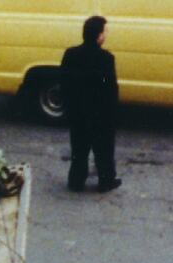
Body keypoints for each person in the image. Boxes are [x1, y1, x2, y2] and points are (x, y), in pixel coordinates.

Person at [61, 17, 121, 192]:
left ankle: (76, 181)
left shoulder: (70, 54)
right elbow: (111, 89)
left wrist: (69, 108)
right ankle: (106, 181)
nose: (106, 35)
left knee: (79, 150)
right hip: (100, 115)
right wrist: (113, 115)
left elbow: (64, 83)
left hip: (78, 113)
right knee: (103, 151)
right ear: (99, 35)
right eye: (105, 31)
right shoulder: (106, 58)